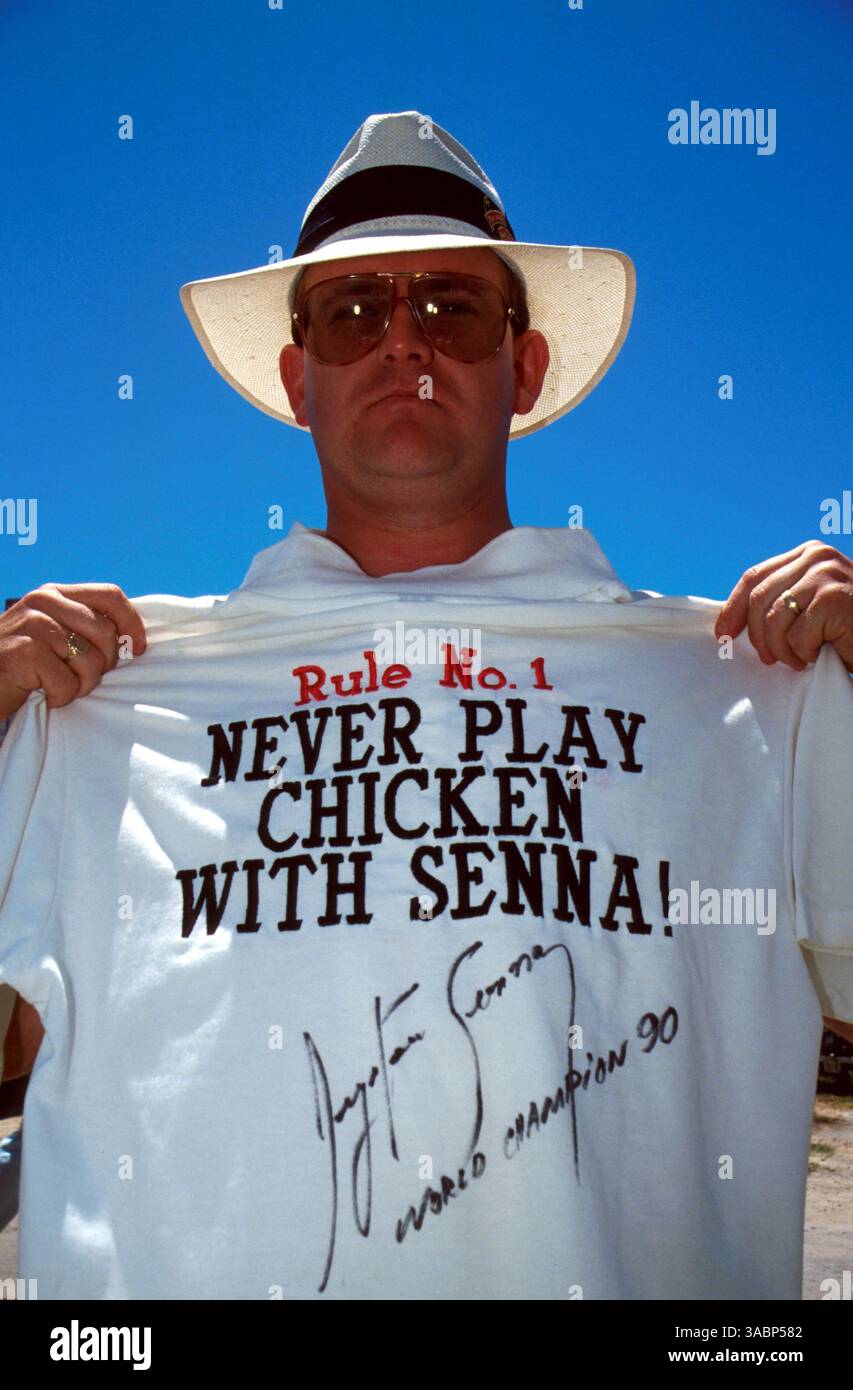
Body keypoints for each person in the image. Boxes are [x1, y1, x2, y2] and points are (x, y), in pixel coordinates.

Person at [0, 110, 851, 1301]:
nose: (404, 343)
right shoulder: (98, 704)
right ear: (300, 379)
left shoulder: (753, 693)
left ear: (527, 363)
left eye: (450, 306)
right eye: (352, 313)